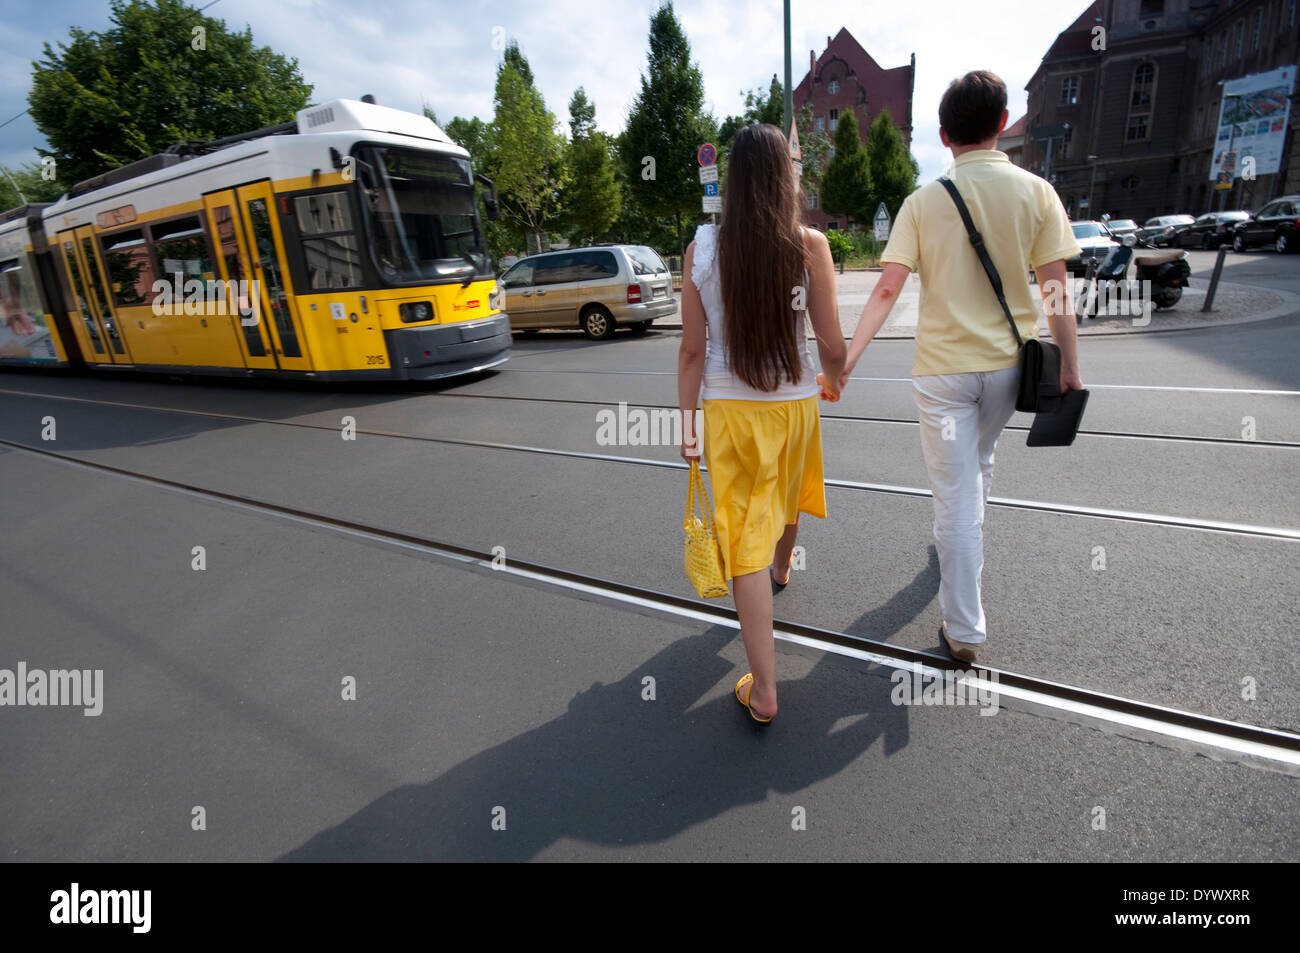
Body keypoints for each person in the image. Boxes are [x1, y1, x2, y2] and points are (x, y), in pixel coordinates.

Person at [838, 70, 1083, 663]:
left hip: (943, 374)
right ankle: (963, 553)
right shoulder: (1037, 192)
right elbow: (1056, 293)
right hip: (1009, 368)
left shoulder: (923, 203)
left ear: (944, 136)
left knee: (954, 498)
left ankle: (965, 631)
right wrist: (1070, 365)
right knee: (980, 464)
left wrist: (846, 360)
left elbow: (885, 293)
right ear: (1002, 124)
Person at [678, 122, 846, 724]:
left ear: (734, 180)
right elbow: (830, 341)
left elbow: (692, 352)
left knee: (742, 536)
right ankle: (781, 569)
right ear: (786, 178)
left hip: (730, 411)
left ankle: (766, 692)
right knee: (785, 495)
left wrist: (686, 423)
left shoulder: (701, 252)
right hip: (796, 406)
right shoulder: (810, 246)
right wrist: (837, 374)